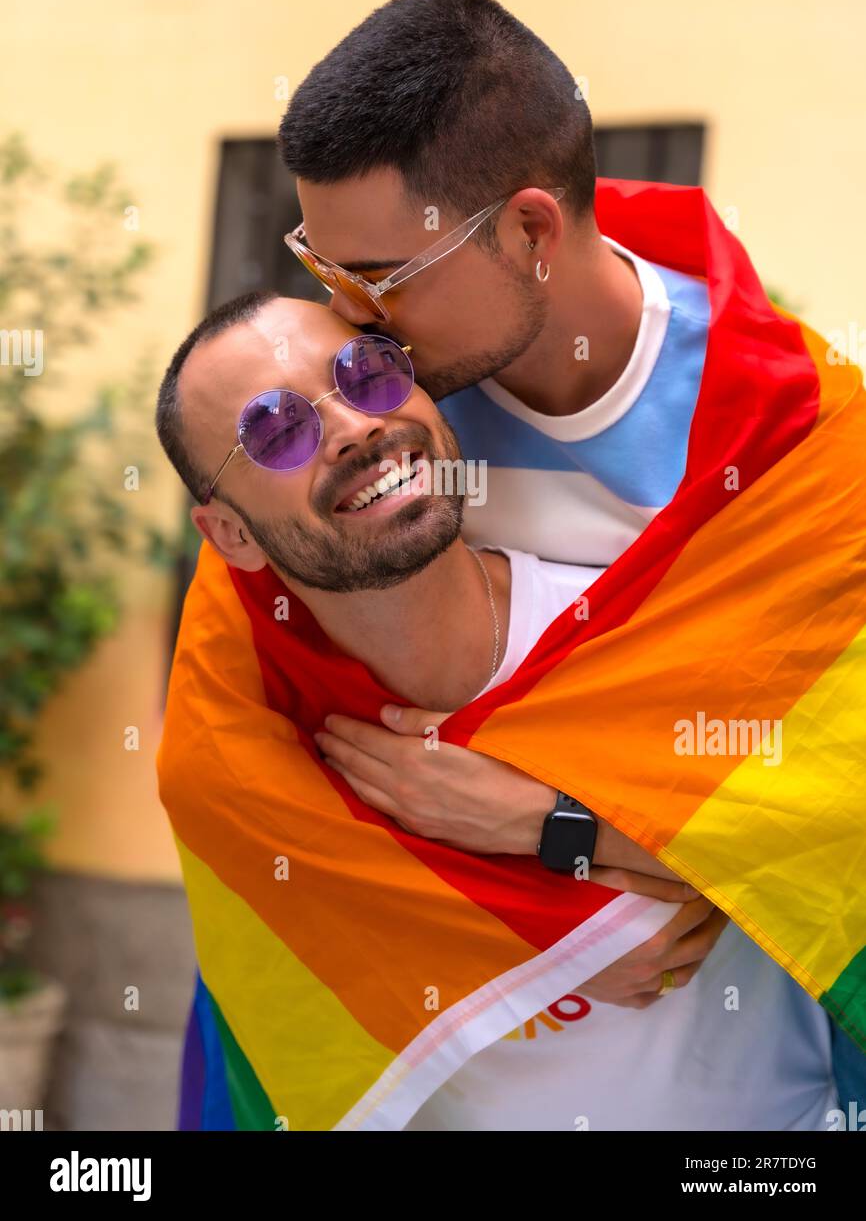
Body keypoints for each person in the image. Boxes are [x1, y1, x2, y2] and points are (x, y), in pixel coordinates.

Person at [155, 293, 839, 1131]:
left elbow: (830, 839)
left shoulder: (647, 628)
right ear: (230, 536)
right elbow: (287, 1004)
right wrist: (516, 944)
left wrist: (556, 826)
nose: (353, 427)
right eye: (274, 431)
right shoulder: (270, 778)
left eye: (365, 374)